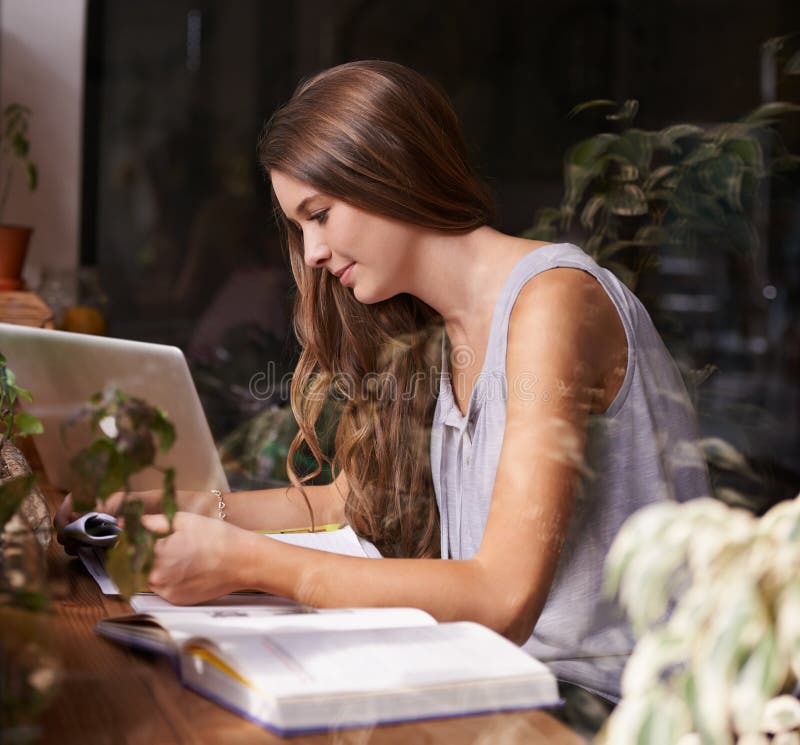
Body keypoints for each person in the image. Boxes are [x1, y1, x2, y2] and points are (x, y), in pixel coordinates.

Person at [57, 60, 710, 705]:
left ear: (389, 172)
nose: (310, 252)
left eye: (320, 214)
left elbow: (504, 598)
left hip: (611, 707)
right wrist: (201, 510)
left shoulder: (552, 302)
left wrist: (248, 563)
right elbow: (348, 499)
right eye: (299, 225)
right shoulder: (439, 330)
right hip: (499, 677)